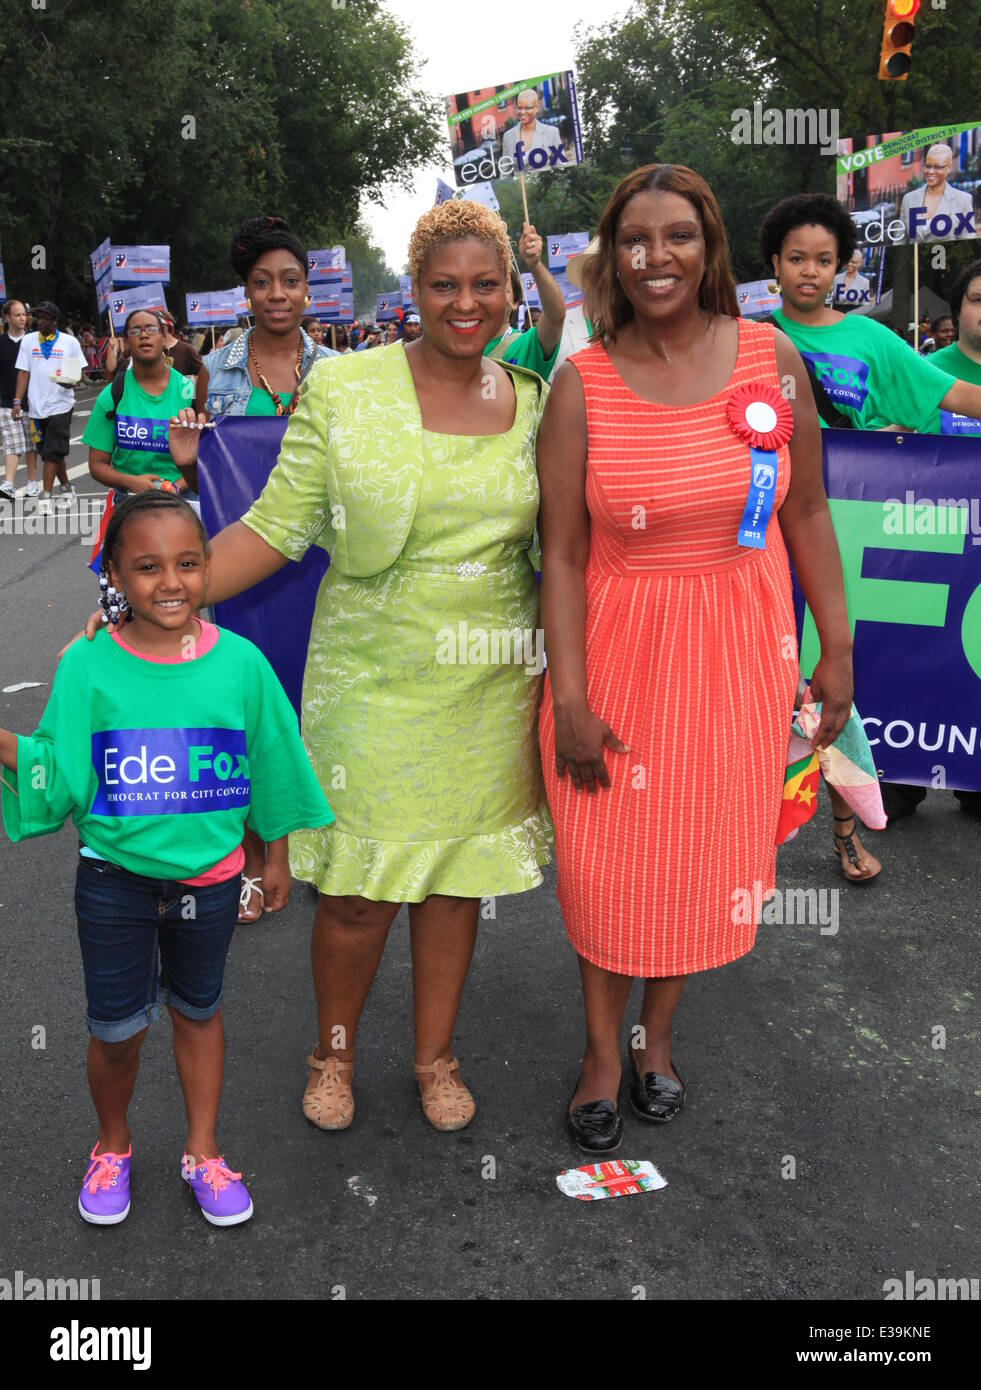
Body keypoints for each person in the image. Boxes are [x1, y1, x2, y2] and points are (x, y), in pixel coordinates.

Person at [159, 198, 552, 1134]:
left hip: (490, 679)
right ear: (411, 292)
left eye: (484, 286)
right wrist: (170, 595)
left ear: (507, 296)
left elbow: (568, 552)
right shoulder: (346, 390)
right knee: (358, 897)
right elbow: (277, 526)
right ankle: (330, 1054)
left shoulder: (535, 401)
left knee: (455, 885)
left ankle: (434, 1057)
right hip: (370, 677)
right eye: (443, 285)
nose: (466, 303)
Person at [537, 164, 854, 1154]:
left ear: (710, 247)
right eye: (634, 239)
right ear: (610, 256)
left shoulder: (771, 361)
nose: (656, 256)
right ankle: (598, 1051)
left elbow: (804, 511)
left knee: (693, 856)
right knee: (606, 866)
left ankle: (654, 1038)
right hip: (618, 654)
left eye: (677, 235)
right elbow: (561, 550)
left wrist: (835, 646)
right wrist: (574, 698)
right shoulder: (581, 381)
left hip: (737, 656)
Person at [1, 491, 332, 1227]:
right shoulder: (89, 666)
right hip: (112, 885)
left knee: (199, 1013)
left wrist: (273, 858)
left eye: (187, 563)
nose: (171, 582)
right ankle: (112, 1144)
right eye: (146, 567)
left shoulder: (241, 665)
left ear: (209, 566)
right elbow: (58, 779)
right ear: (113, 573)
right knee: (115, 1032)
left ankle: (204, 1152)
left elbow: (272, 763)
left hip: (210, 887)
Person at [761, 193, 981, 850]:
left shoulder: (872, 340)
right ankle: (748, 834)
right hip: (765, 545)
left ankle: (846, 829)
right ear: (773, 263)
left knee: (836, 675)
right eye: (796, 257)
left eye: (823, 259)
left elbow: (958, 397)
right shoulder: (742, 339)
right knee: (773, 683)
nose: (809, 271)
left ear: (843, 267)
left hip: (845, 547)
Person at [177, 215, 337, 923]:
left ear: (310, 290)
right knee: (244, 706)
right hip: (242, 568)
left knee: (313, 700)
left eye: (291, 281)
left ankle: (305, 847)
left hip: (320, 565)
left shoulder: (337, 372)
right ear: (246, 293)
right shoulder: (215, 370)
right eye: (262, 282)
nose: (278, 294)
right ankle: (247, 854)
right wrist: (191, 462)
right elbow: (206, 466)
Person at [82, 309, 196, 503]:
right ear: (126, 343)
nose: (143, 335)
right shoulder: (112, 394)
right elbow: (97, 465)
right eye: (135, 331)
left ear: (164, 338)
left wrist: (175, 487)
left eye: (151, 329)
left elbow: (206, 459)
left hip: (182, 499)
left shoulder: (189, 393)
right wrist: (131, 482)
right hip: (129, 501)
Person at [12, 300, 85, 512]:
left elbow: (78, 374)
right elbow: (23, 372)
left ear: (55, 320)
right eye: (37, 317)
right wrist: (17, 401)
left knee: (53, 450)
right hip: (36, 406)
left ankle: (45, 497)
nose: (39, 321)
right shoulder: (28, 341)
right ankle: (66, 488)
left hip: (61, 404)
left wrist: (69, 381)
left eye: (44, 317)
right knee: (50, 453)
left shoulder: (69, 342)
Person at [485, 224, 566, 380]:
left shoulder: (525, 345)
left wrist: (535, 265)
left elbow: (556, 315)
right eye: (487, 287)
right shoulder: (459, 348)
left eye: (504, 290)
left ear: (516, 303)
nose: (495, 297)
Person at [0, 299, 39, 502]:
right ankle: (9, 484)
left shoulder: (33, 341)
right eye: (17, 314)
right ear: (7, 318)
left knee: (32, 445)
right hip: (6, 402)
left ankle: (32, 484)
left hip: (32, 402)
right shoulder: (1, 343)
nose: (22, 318)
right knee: (13, 443)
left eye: (24, 314)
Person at [899, 144, 975, 244]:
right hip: (914, 259)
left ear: (949, 168)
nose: (930, 171)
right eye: (928, 166)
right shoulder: (908, 199)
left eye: (938, 167)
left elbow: (968, 245)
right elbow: (899, 242)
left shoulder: (963, 200)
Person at [501, 87, 563, 169]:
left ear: (536, 108)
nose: (522, 112)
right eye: (520, 108)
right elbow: (505, 173)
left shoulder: (552, 133)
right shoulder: (508, 136)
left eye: (527, 108)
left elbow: (560, 167)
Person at [159, 311, 203, 378]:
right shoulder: (153, 350)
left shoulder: (186, 349)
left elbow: (202, 374)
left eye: (154, 328)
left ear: (165, 328)